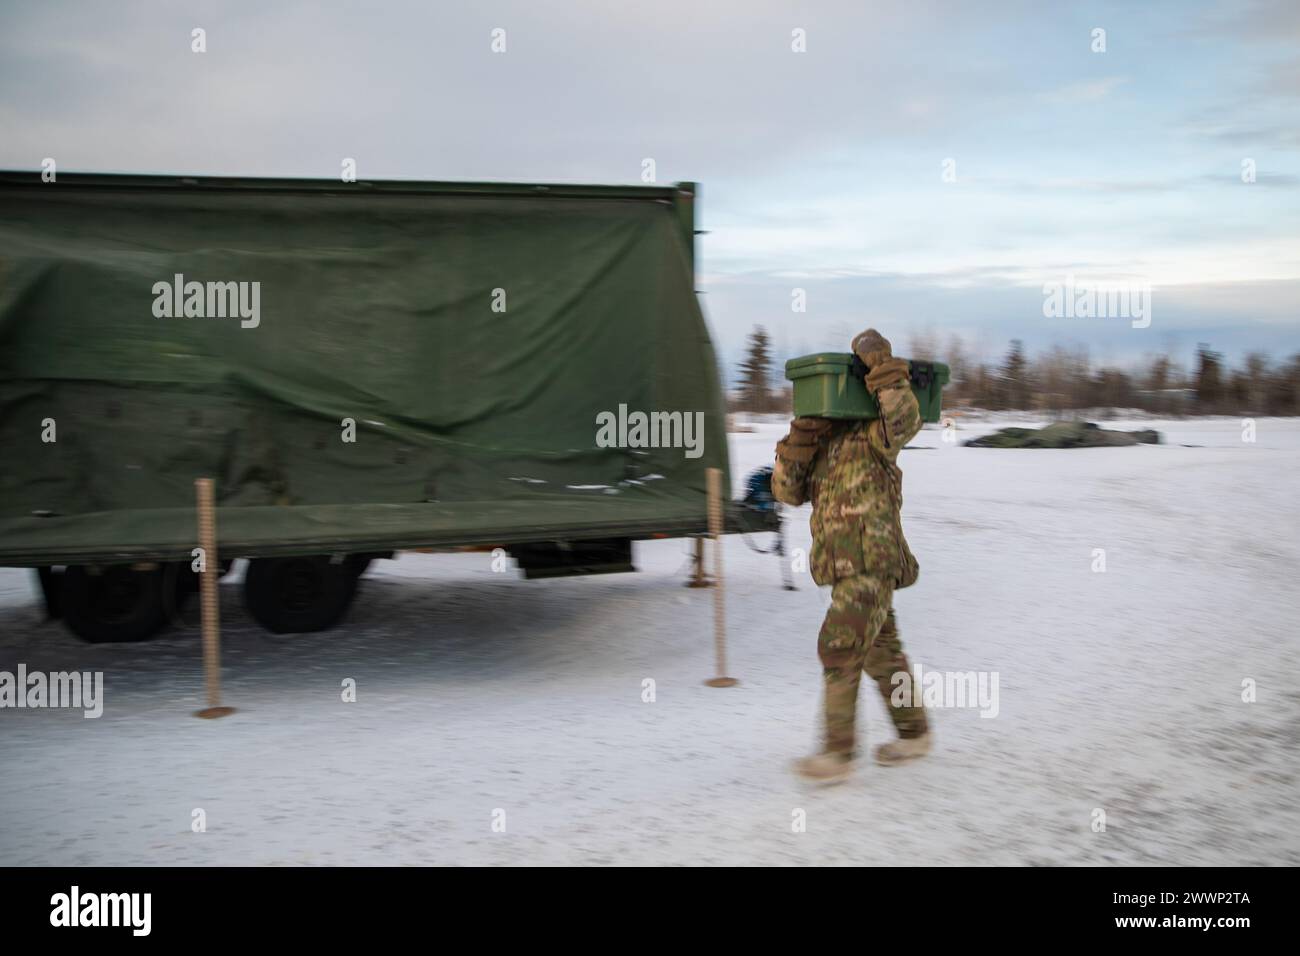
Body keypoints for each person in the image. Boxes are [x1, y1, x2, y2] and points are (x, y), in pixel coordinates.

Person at [772, 329, 931, 783]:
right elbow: (786, 492)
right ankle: (915, 733)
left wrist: (881, 366)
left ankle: (837, 754)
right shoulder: (820, 444)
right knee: (882, 653)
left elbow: (904, 419)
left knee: (839, 646)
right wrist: (799, 439)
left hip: (873, 563)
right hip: (843, 567)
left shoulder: (874, 438)